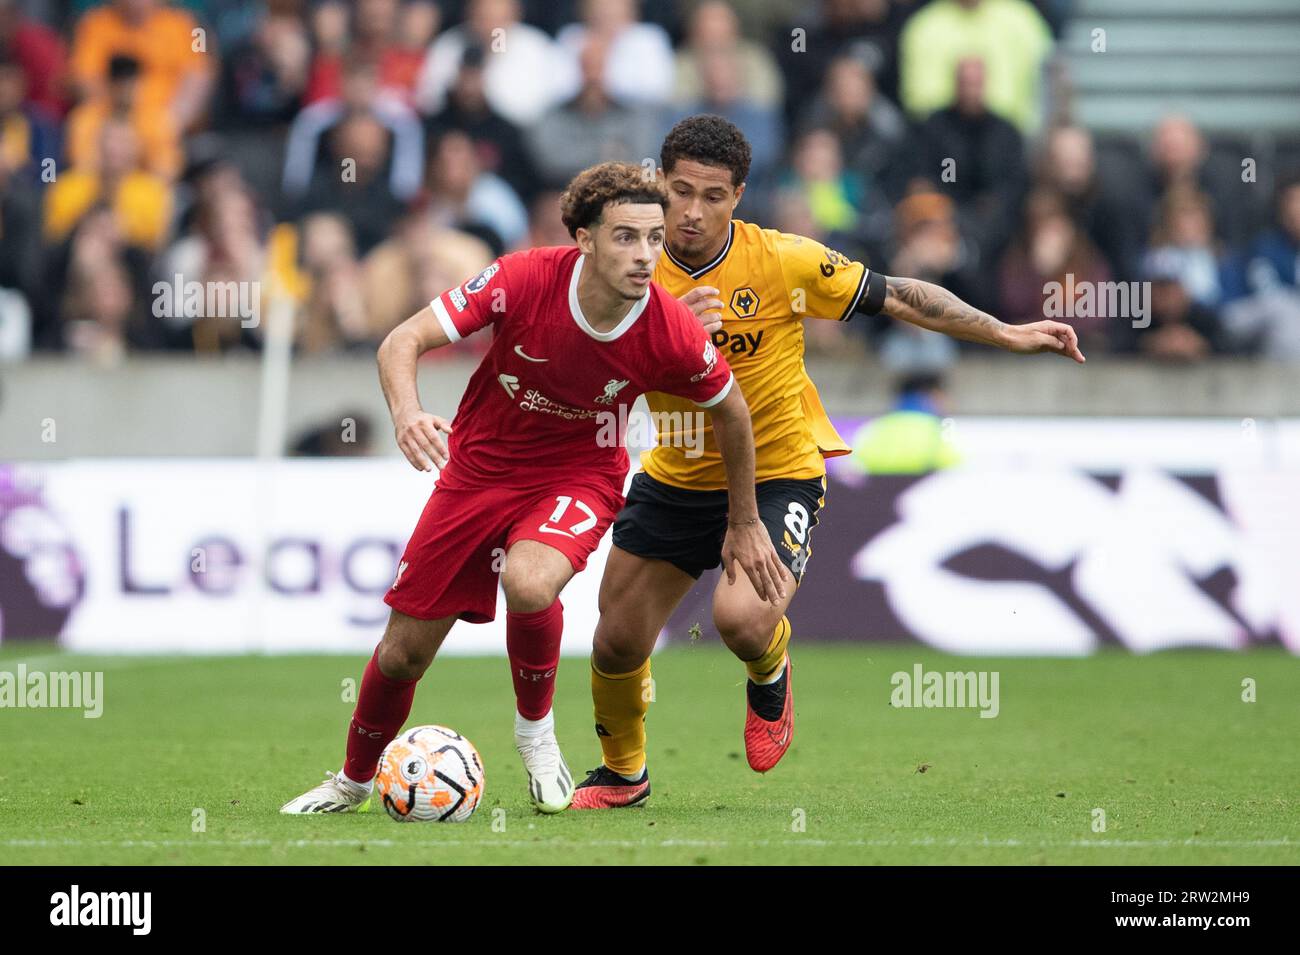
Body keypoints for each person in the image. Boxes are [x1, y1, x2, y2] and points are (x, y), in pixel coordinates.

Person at [572, 115, 1084, 809]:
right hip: (679, 471)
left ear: (740, 195)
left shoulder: (782, 260)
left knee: (741, 619)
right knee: (615, 641)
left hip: (778, 469)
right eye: (682, 190)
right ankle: (624, 775)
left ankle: (769, 663)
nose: (693, 211)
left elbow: (901, 294)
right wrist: (662, 328)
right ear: (660, 183)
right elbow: (587, 371)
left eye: (714, 195)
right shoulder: (627, 267)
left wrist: (1004, 331)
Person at [280, 161, 784, 815]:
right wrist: (408, 414)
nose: (645, 255)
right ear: (585, 240)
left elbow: (732, 411)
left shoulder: (667, 324)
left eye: (655, 239)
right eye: (627, 237)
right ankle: (351, 780)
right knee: (402, 653)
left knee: (528, 580)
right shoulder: (523, 278)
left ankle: (536, 734)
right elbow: (402, 340)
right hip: (478, 471)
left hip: (582, 473)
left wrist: (743, 519)